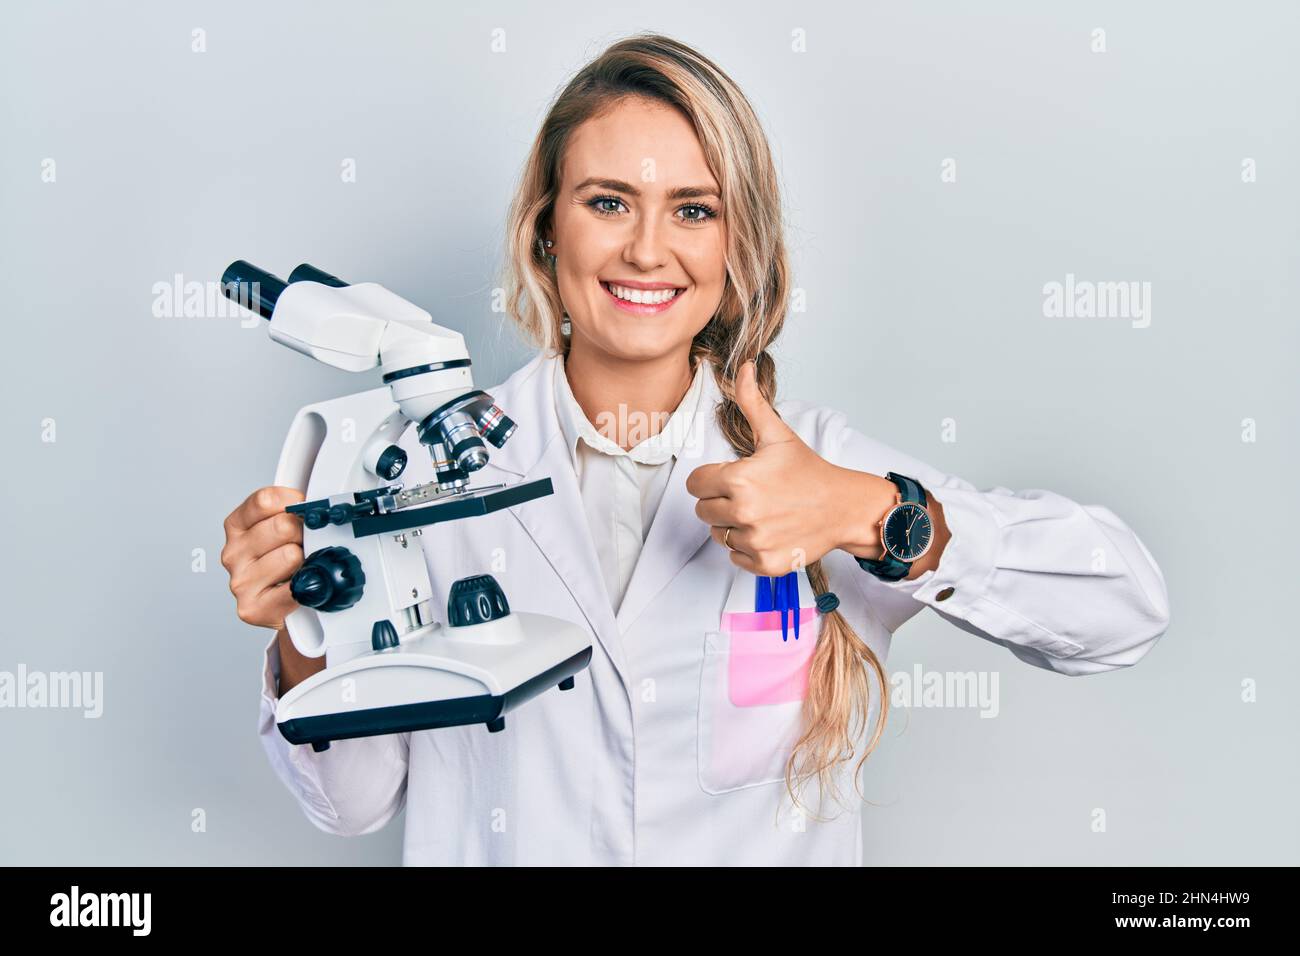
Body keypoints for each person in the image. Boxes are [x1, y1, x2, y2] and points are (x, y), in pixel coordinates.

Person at [219, 33, 1170, 865]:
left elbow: (1124, 606)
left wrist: (867, 512)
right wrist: (305, 636)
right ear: (545, 231)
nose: (645, 250)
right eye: (606, 202)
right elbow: (352, 805)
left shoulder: (819, 466)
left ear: (734, 245)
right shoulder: (426, 481)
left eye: (692, 209)